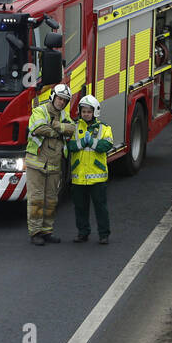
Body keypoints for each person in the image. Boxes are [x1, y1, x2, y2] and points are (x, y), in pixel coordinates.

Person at [25, 83, 75, 245]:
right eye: (60, 99)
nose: (61, 102)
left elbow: (72, 128)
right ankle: (35, 232)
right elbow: (38, 128)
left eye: (65, 100)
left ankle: (47, 231)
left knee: (51, 200)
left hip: (54, 165)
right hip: (36, 164)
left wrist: (57, 126)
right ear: (53, 97)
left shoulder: (63, 115)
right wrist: (58, 131)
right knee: (36, 199)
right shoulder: (40, 110)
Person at [66, 95, 113, 244]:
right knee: (80, 208)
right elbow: (69, 146)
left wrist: (91, 142)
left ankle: (104, 235)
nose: (86, 114)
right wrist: (82, 144)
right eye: (83, 111)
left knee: (101, 208)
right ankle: (82, 233)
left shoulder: (104, 128)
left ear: (95, 112)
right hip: (79, 176)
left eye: (88, 111)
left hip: (97, 177)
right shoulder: (74, 127)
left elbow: (106, 146)